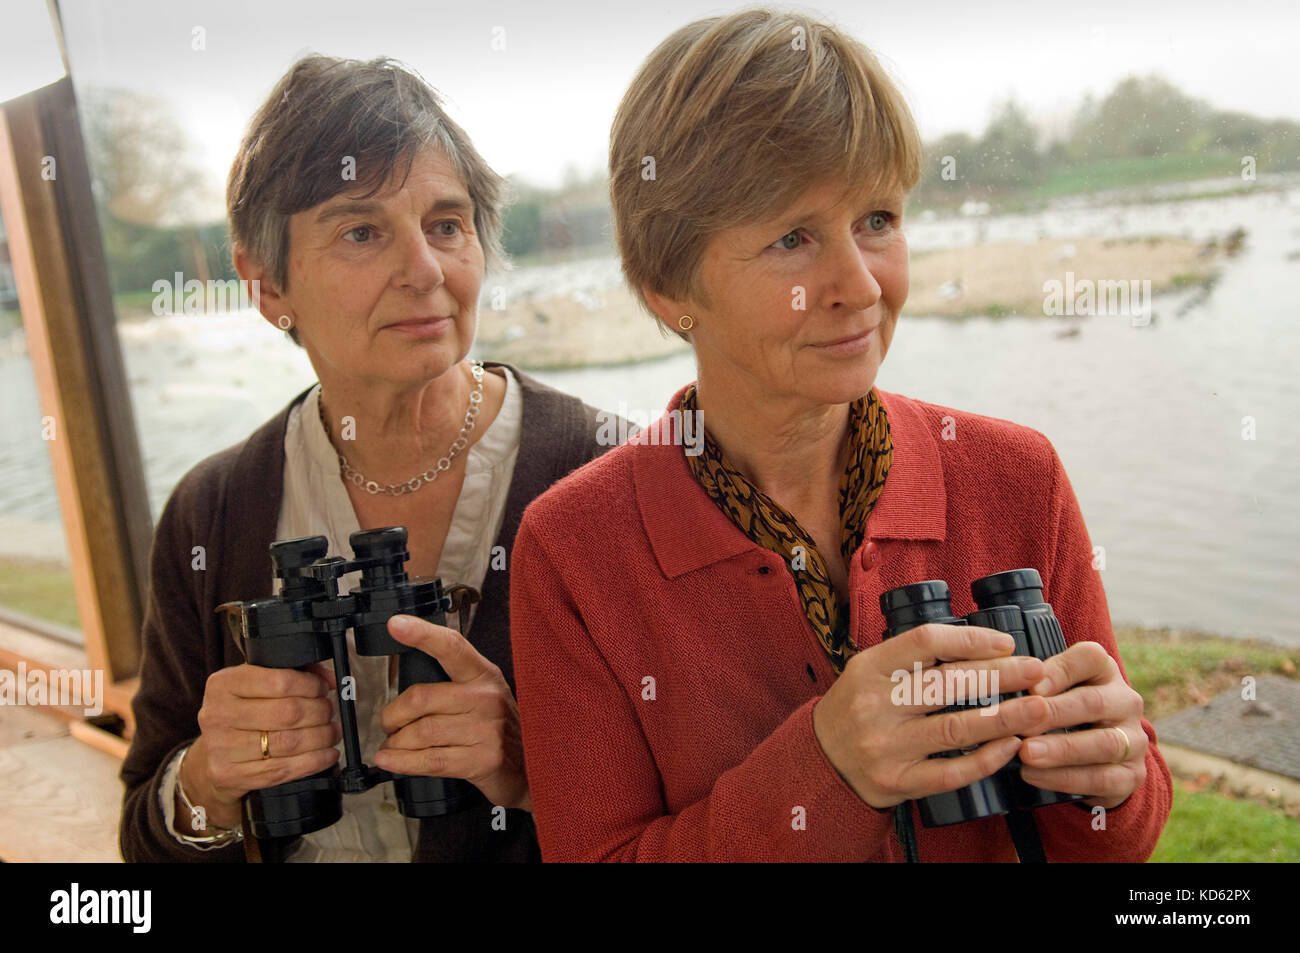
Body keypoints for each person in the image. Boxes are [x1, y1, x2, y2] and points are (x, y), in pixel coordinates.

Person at [509, 9, 1173, 861]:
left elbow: (1118, 841)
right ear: (664, 285)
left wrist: (1113, 782)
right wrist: (829, 768)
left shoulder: (1018, 474)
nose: (858, 285)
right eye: (793, 238)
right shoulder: (574, 551)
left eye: (879, 220)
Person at [119, 55, 613, 862]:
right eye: (361, 231)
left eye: (446, 224)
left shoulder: (607, 470)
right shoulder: (210, 512)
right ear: (266, 282)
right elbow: (142, 841)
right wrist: (206, 785)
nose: (424, 270)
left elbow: (703, 814)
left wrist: (534, 772)